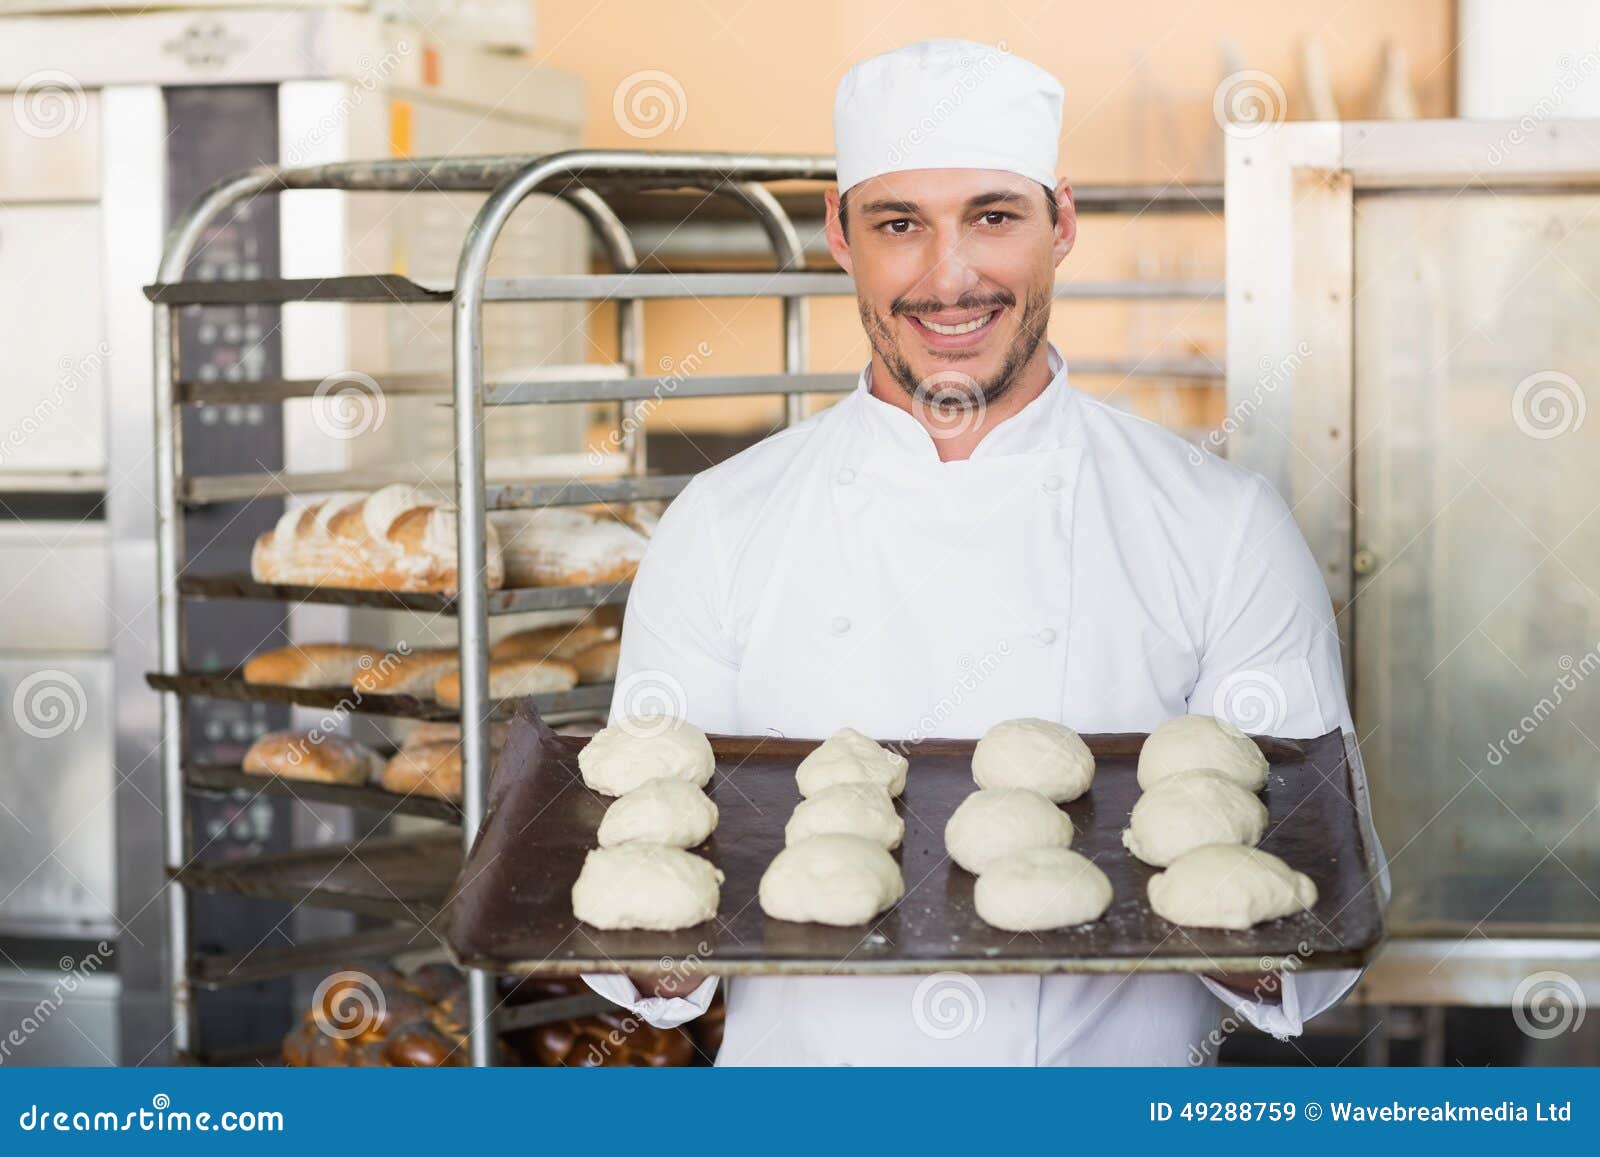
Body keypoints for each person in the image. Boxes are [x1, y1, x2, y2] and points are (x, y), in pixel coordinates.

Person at [584, 37, 1389, 1065]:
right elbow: (631, 874)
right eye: (897, 224)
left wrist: (1217, 909)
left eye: (992, 216)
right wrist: (656, 951)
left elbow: (1318, 901)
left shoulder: (1219, 522)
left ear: (1062, 223)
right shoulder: (719, 520)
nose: (948, 275)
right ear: (838, 233)